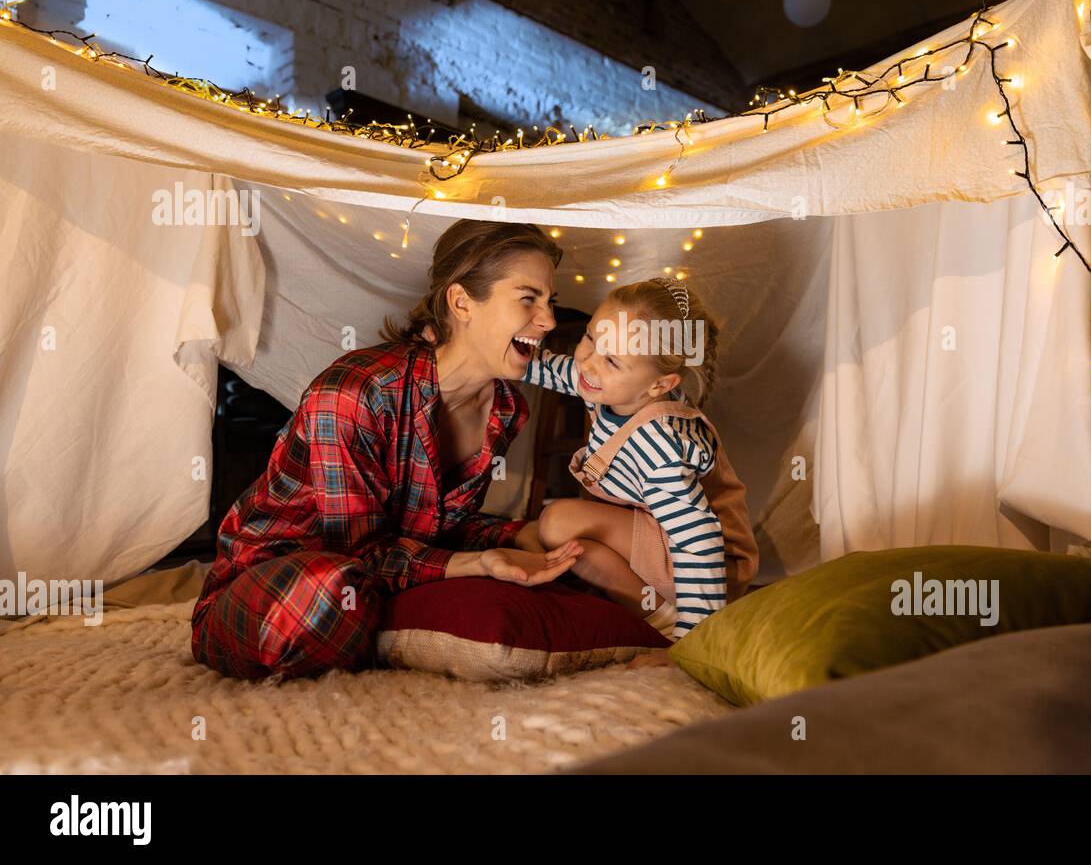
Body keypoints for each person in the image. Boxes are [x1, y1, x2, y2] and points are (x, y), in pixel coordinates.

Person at [190, 218, 582, 679]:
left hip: (380, 576)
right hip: (281, 583)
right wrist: (474, 562)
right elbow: (357, 555)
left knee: (558, 567)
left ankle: (397, 630)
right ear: (461, 302)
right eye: (528, 298)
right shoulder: (353, 392)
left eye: (550, 302)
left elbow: (434, 529)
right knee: (336, 589)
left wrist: (521, 538)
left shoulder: (508, 409)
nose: (550, 321)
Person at [517, 277, 758, 641]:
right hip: (661, 542)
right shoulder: (609, 386)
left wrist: (694, 639)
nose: (588, 363)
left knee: (556, 521)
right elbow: (548, 368)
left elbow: (698, 540)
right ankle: (643, 608)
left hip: (706, 569)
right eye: (589, 338)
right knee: (545, 541)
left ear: (659, 386)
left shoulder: (659, 443)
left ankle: (665, 624)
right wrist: (491, 348)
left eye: (612, 360)